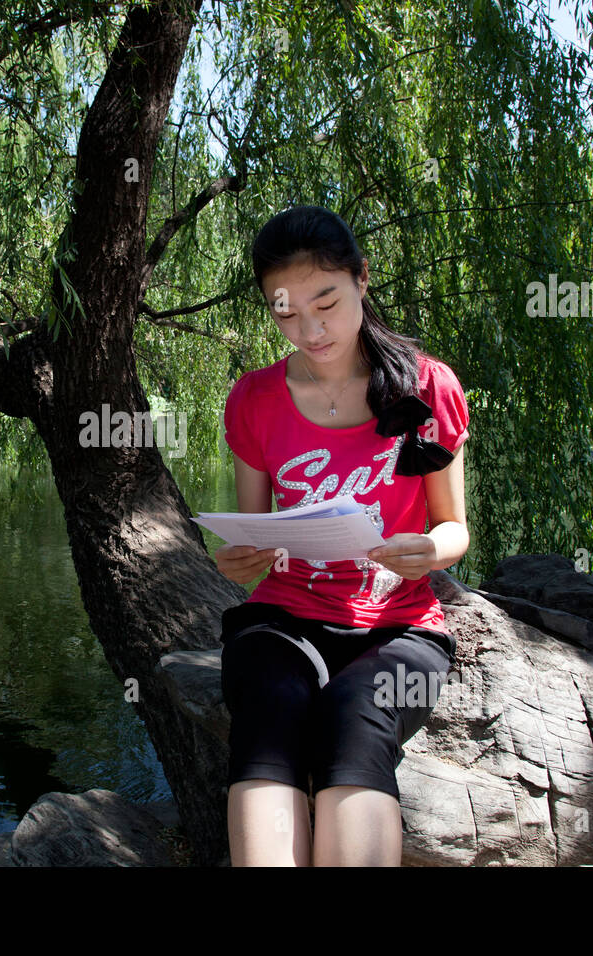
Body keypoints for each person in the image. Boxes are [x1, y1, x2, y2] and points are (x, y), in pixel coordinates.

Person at [215, 204, 471, 867]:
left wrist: (429, 551)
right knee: (267, 719)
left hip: (399, 625)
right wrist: (242, 559)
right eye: (285, 311)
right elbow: (257, 535)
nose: (310, 327)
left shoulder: (426, 386)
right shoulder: (254, 398)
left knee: (354, 729)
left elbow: (454, 528)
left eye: (325, 301)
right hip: (282, 619)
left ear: (361, 278)